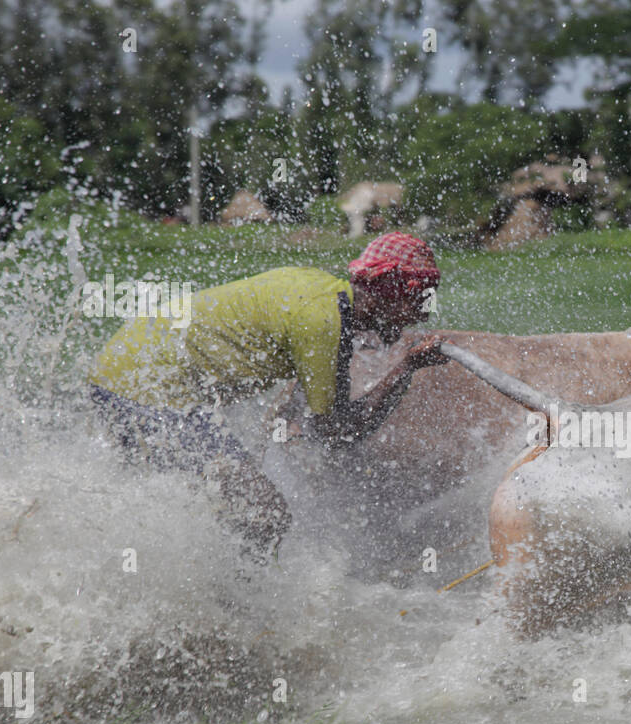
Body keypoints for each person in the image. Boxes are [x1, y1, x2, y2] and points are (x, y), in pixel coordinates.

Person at [88, 232, 449, 560]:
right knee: (266, 513)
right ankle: (236, 615)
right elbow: (335, 432)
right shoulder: (322, 323)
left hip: (121, 370)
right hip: (147, 389)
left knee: (198, 502)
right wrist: (406, 368)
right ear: (389, 292)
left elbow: (313, 404)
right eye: (418, 301)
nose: (420, 316)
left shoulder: (322, 290)